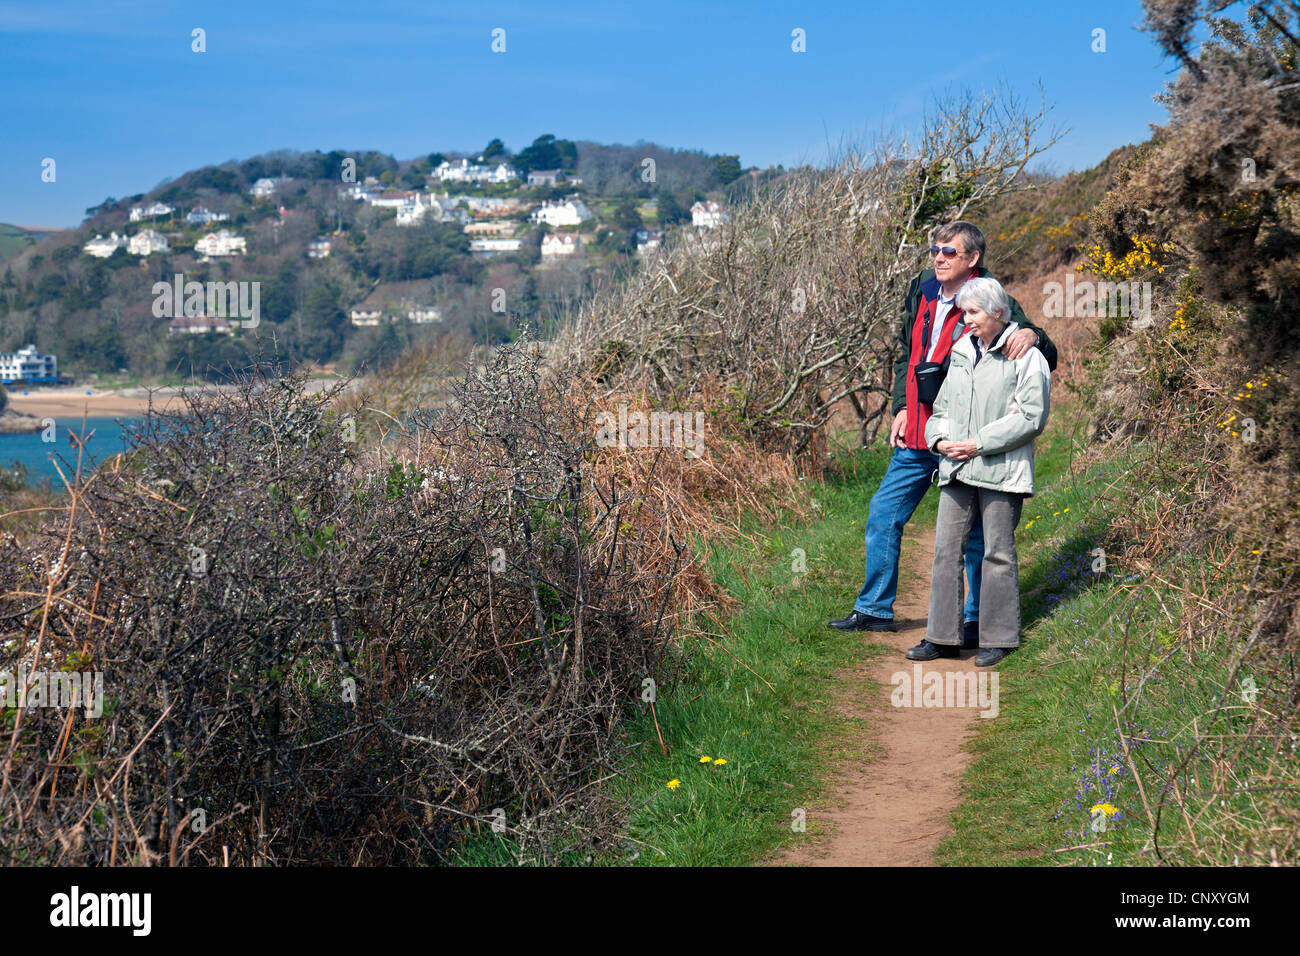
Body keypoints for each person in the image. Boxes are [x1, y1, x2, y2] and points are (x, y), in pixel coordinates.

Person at [828, 221, 1057, 644]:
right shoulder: (922, 287)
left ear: (972, 259)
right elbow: (905, 352)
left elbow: (1040, 345)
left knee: (973, 537)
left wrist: (1034, 334)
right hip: (918, 430)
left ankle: (973, 620)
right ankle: (874, 608)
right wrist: (899, 406)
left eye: (949, 252)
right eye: (935, 249)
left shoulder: (990, 294)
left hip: (964, 436)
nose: (938, 257)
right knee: (884, 513)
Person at [912, 276, 1051, 666]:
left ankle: (999, 639)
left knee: (998, 553)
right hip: (956, 466)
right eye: (963, 312)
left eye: (973, 313)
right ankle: (942, 638)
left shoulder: (1026, 355)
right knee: (944, 552)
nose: (966, 320)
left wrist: (978, 443)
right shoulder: (960, 351)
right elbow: (941, 410)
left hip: (1000, 469)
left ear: (997, 312)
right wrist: (938, 441)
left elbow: (1031, 417)